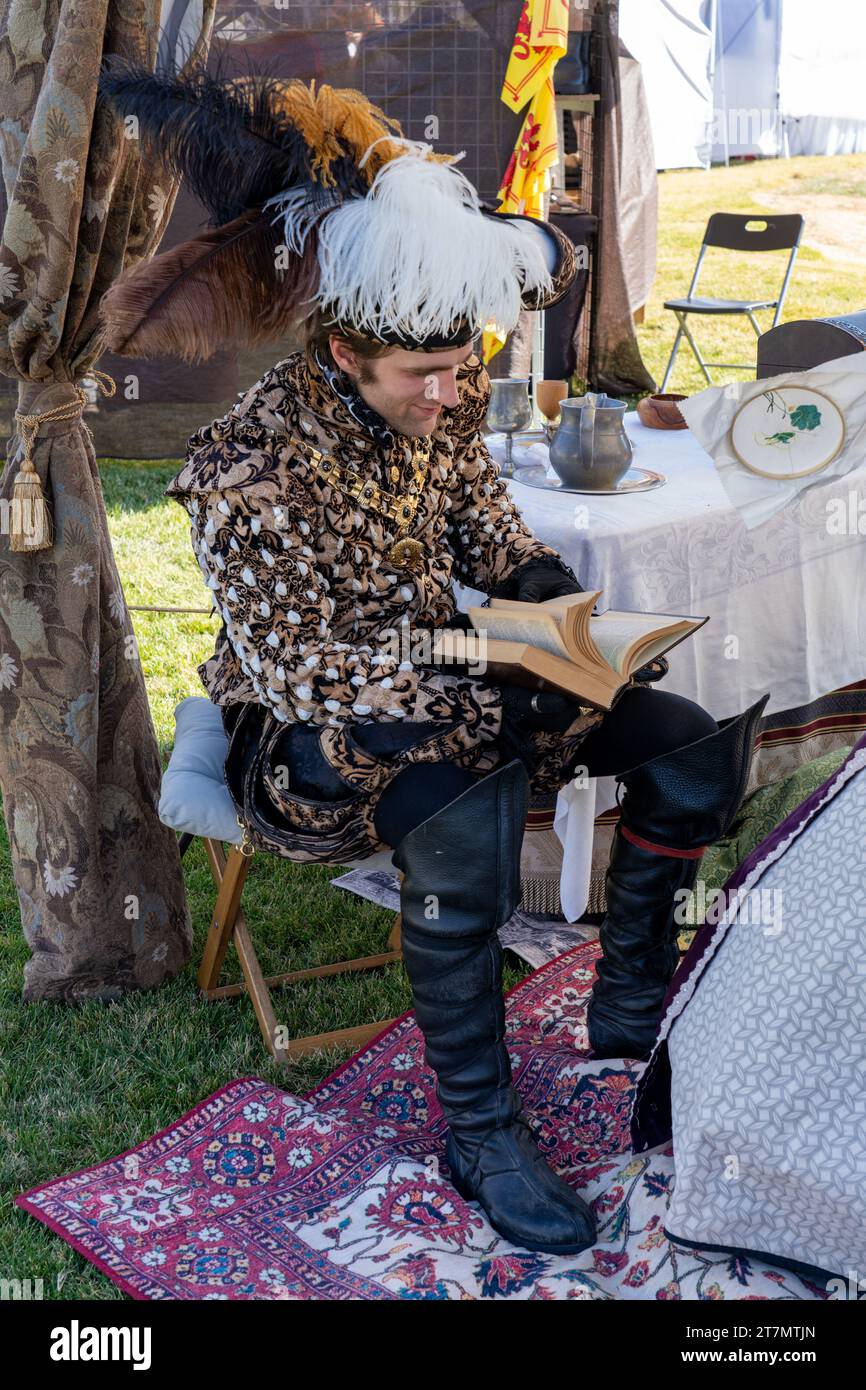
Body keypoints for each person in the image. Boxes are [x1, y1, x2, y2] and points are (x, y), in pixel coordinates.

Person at [97, 62, 768, 1257]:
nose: (453, 393)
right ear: (344, 350)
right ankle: (480, 1130)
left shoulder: (440, 404)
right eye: (426, 375)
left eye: (461, 371)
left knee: (690, 745)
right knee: (462, 812)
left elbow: (485, 530)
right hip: (308, 738)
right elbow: (307, 670)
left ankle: (623, 1007)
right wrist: (485, 651)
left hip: (458, 680)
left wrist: (548, 602)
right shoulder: (238, 464)